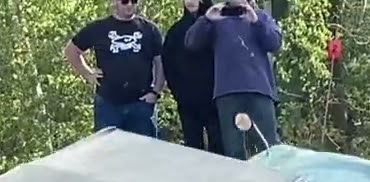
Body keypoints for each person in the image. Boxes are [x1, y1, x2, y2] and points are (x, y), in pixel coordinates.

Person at [185, 0, 283, 159]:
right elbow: (191, 43)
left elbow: (275, 43)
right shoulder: (216, 19)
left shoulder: (260, 17)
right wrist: (206, 19)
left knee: (266, 147)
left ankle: (268, 175)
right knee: (234, 152)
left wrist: (256, 21)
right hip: (228, 94)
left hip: (259, 91)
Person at [64, 0, 166, 137]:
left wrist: (155, 91)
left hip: (141, 103)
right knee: (108, 149)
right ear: (115, 2)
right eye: (124, 1)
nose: (129, 5)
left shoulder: (149, 29)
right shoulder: (99, 28)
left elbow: (161, 61)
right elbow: (71, 50)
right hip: (108, 104)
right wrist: (87, 73)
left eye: (134, 1)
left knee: (145, 149)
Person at [162, 0, 223, 154]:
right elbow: (168, 65)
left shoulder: (218, 27)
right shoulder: (175, 32)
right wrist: (178, 94)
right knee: (193, 148)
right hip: (188, 102)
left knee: (219, 147)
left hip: (215, 100)